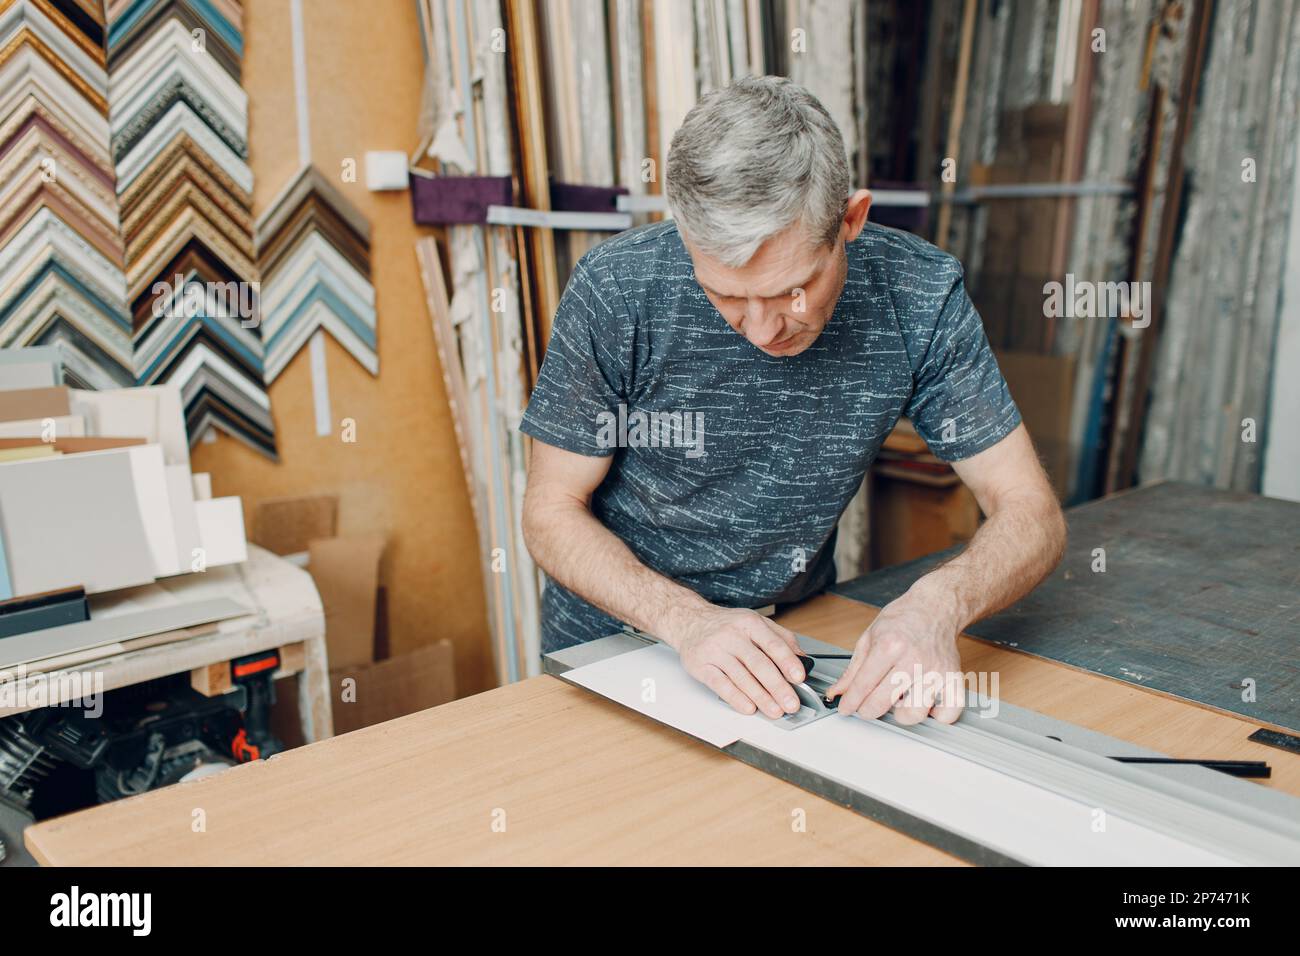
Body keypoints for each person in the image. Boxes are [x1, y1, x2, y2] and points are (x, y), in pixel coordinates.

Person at [520, 76, 1065, 726]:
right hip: (614, 646)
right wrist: (686, 622)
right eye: (726, 297)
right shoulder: (617, 291)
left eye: (791, 292)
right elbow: (550, 511)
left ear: (852, 219)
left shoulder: (918, 298)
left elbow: (1031, 510)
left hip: (794, 642)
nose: (761, 330)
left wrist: (936, 606)